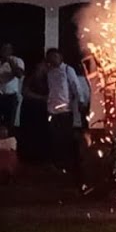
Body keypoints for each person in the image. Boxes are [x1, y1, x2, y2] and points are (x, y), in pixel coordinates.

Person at [45, 48, 82, 183]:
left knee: (66, 138)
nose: (52, 59)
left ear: (60, 57)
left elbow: (75, 87)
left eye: (54, 56)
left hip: (66, 110)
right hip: (52, 111)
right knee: (55, 139)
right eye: (50, 57)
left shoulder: (67, 70)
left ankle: (69, 166)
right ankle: (58, 166)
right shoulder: (49, 73)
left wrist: (80, 102)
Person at [0, 43, 24, 128]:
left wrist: (10, 62)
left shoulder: (17, 61)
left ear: (11, 50)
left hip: (10, 96)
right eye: (3, 49)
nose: (5, 51)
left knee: (9, 123)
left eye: (7, 49)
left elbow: (19, 74)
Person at [19, 58, 50, 162]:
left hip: (41, 108)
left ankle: (39, 157)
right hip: (30, 107)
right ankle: (28, 156)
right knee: (30, 131)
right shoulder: (31, 77)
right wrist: (41, 98)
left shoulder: (47, 78)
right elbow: (25, 92)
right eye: (44, 65)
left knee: (40, 132)